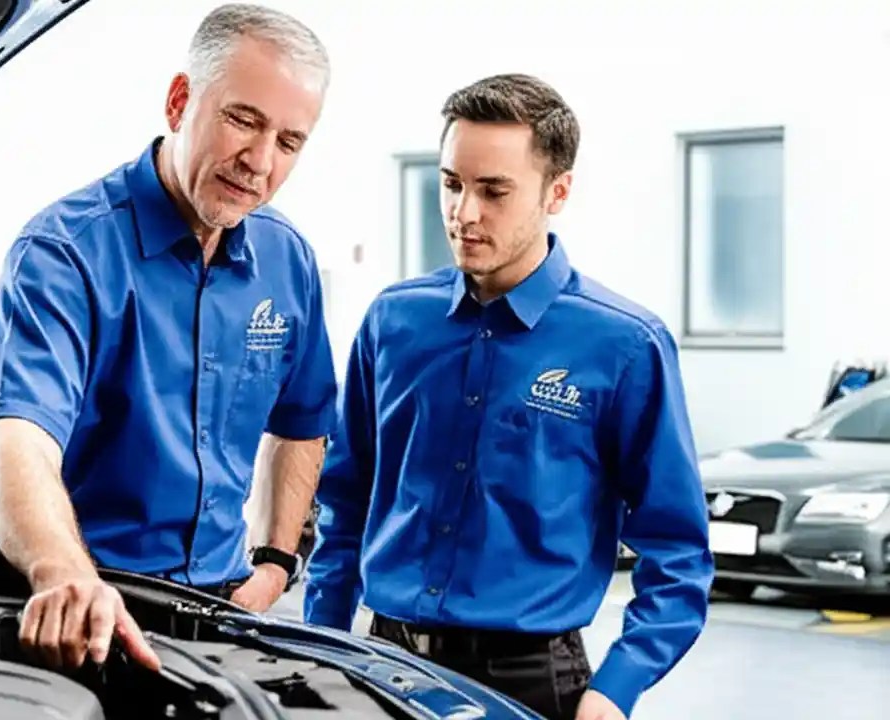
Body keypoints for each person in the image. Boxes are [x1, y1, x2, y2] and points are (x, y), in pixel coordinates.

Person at [303, 73, 713, 720]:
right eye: (451, 184)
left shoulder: (626, 346)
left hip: (530, 686)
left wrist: (618, 686)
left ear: (558, 192)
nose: (464, 213)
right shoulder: (393, 321)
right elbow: (345, 497)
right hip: (379, 671)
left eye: (494, 191)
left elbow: (679, 552)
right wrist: (321, 645)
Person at [0, 3, 337, 674]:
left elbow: (302, 422)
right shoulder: (65, 252)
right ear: (179, 101)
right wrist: (65, 576)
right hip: (77, 611)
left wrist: (276, 561)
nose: (259, 162)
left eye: (288, 142)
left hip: (218, 614)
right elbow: (16, 441)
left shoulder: (289, 262)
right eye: (243, 120)